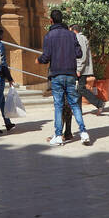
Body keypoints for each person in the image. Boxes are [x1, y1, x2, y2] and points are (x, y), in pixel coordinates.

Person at [38, 9, 91, 146]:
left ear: (51, 20)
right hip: (71, 74)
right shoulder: (71, 35)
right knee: (74, 104)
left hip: (56, 74)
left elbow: (46, 57)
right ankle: (83, 132)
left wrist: (39, 60)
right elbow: (79, 53)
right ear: (62, 20)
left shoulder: (49, 36)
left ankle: (58, 135)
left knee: (59, 105)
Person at [63, 26, 104, 139]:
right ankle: (76, 119)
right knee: (78, 92)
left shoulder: (79, 37)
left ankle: (99, 103)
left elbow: (82, 55)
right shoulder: (81, 37)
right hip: (81, 70)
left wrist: (78, 69)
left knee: (80, 89)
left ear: (73, 30)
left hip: (80, 71)